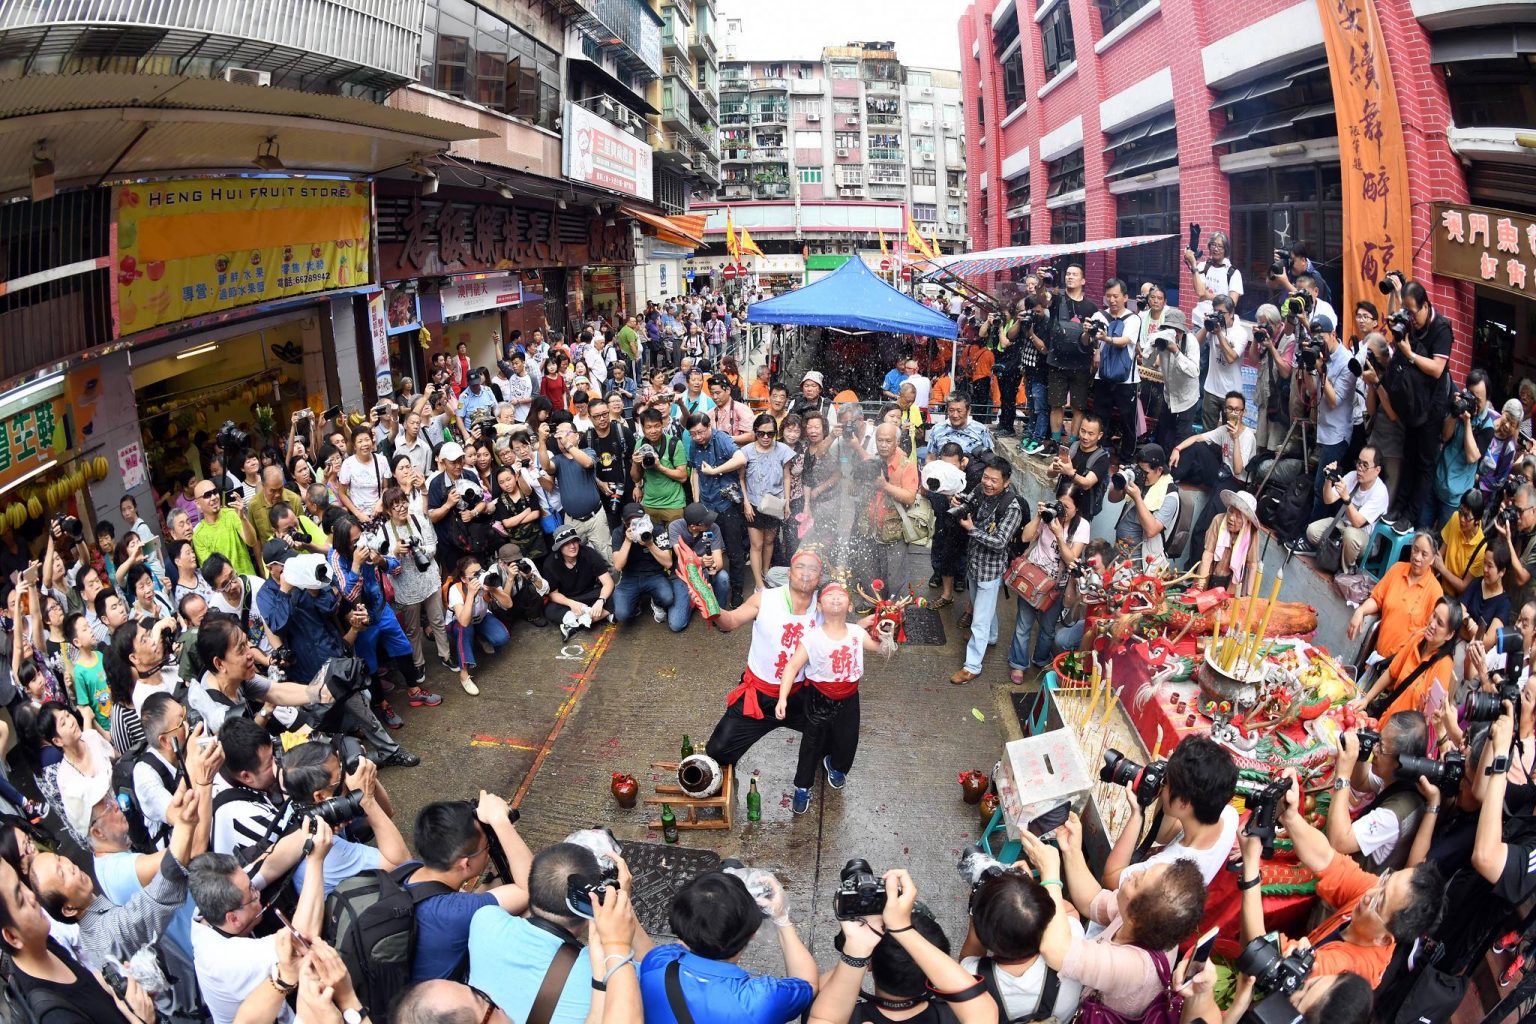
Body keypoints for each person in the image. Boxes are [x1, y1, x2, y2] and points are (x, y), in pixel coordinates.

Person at [1260, 768, 1444, 984]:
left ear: (1384, 939)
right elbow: (1327, 859)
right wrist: (1290, 816)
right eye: (1385, 880)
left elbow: (1272, 961)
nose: (1370, 893)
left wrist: (1252, 879)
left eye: (1380, 900)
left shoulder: (1351, 971)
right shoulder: (1374, 892)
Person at [1021, 824, 1206, 1019]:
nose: (1133, 873)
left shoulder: (1135, 969)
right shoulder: (1153, 921)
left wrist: (1050, 876)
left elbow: (1056, 951)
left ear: (1137, 918)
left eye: (1137, 881)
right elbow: (1091, 900)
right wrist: (1071, 850)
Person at [467, 841, 652, 1024]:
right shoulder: (606, 971)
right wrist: (622, 901)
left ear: (530, 885)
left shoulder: (483, 920)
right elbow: (653, 965)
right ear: (590, 906)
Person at [187, 819, 333, 1024]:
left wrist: (311, 832)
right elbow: (301, 937)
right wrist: (316, 861)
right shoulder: (227, 960)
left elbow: (268, 866)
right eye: (252, 894)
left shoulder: (210, 907)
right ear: (233, 918)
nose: (258, 893)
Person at [638, 870, 816, 1024]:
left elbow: (680, 944)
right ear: (753, 933)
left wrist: (710, 905)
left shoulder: (657, 962)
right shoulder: (761, 1000)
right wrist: (781, 918)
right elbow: (809, 983)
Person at [703, 549, 825, 768]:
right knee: (717, 752)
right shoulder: (765, 598)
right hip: (759, 696)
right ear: (789, 573)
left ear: (819, 577)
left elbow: (849, 633)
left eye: (813, 569)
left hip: (800, 694)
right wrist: (712, 607)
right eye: (800, 567)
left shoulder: (824, 607)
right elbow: (730, 621)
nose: (806, 573)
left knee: (832, 738)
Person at [774, 581, 882, 814]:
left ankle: (835, 765)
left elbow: (879, 647)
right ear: (820, 606)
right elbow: (792, 667)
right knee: (811, 745)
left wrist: (888, 631)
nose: (835, 598)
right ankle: (802, 787)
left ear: (850, 606)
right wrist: (782, 698)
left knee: (848, 740)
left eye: (841, 596)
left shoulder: (856, 632)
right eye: (829, 595)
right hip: (818, 698)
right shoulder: (812, 637)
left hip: (849, 697)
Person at [402, 793, 533, 981]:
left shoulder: (408, 870)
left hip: (403, 983)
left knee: (495, 885)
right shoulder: (457, 912)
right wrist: (500, 823)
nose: (488, 852)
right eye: (487, 847)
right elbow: (530, 887)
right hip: (438, 1005)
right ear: (465, 864)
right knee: (532, 913)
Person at [1102, 734, 1240, 886]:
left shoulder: (1166, 868)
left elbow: (1111, 879)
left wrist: (1137, 814)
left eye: (1165, 783)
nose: (1161, 787)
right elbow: (1164, 836)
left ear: (1183, 802)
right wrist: (1174, 774)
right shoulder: (1228, 816)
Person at [958, 867, 1084, 1022]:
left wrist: (974, 917)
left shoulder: (972, 974)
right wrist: (1030, 894)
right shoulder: (1072, 945)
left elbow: (967, 958)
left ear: (980, 933)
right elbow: (1070, 913)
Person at [950, 456, 1023, 686]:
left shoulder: (1012, 507)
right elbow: (969, 499)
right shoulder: (982, 491)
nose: (988, 483)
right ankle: (990, 637)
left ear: (1006, 482)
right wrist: (959, 499)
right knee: (983, 608)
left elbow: (1001, 542)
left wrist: (971, 530)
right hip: (974, 563)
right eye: (985, 478)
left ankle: (972, 666)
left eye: (994, 480)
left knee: (979, 619)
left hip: (991, 570)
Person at [1327, 716, 1432, 874]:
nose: (1375, 749)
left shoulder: (1394, 814)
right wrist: (1361, 753)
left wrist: (1343, 774)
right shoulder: (1399, 777)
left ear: (1401, 763)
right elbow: (1361, 782)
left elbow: (1338, 841)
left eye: (1381, 748)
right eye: (1378, 739)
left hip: (1353, 886)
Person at [1391, 280, 1455, 529]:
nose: (1410, 318)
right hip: (1412, 401)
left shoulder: (1441, 328)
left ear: (1426, 305)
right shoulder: (1411, 323)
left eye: (1412, 311)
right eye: (1406, 311)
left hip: (1433, 407)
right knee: (1408, 455)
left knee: (1425, 463)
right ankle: (1398, 508)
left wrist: (1410, 355)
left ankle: (1411, 516)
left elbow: (1438, 369)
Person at [1008, 482, 1088, 680]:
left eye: (1067, 507)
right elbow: (1026, 537)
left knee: (1047, 629)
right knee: (1023, 624)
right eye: (1060, 504)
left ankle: (1041, 659)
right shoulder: (1048, 516)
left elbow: (1071, 560)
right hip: (1033, 578)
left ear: (1077, 508)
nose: (1062, 510)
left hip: (1056, 585)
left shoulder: (1082, 526)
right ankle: (1018, 664)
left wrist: (1060, 535)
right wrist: (1039, 515)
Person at [1356, 597, 1460, 728]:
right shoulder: (1419, 637)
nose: (1432, 624)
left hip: (1402, 737)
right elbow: (1392, 672)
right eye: (1433, 616)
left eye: (1440, 623)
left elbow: (1430, 718)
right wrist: (1366, 699)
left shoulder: (1444, 666)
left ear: (1450, 635)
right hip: (1384, 721)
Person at [1346, 530, 1443, 663]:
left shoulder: (1435, 592)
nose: (1417, 557)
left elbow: (1429, 637)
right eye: (1415, 549)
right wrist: (1360, 611)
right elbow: (1377, 599)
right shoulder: (1397, 569)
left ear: (1432, 559)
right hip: (1378, 657)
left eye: (1424, 554)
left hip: (1403, 664)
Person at [686, 415, 748, 608]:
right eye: (693, 434)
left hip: (727, 506)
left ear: (709, 426)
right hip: (707, 507)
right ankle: (711, 588)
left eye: (701, 432)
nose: (697, 437)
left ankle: (737, 591)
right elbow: (695, 472)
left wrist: (715, 471)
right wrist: (697, 501)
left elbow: (741, 458)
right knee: (708, 547)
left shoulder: (721, 438)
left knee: (734, 550)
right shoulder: (694, 444)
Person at [1296, 446, 1390, 570]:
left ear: (1377, 470)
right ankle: (1331, 555)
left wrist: (1346, 498)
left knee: (1350, 535)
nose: (1360, 468)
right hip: (1343, 526)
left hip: (1365, 538)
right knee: (1312, 531)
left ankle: (1345, 570)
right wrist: (1329, 479)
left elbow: (1357, 523)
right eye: (1359, 462)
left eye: (1365, 465)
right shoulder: (1352, 476)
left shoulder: (1380, 492)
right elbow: (1328, 499)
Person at [1428, 369, 1495, 529]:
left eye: (1477, 399)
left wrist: (1467, 422)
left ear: (1487, 400)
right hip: (1437, 481)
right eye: (1470, 394)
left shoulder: (1487, 426)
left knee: (1441, 540)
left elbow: (1472, 457)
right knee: (1420, 530)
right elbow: (1444, 436)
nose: (1473, 401)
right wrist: (1454, 412)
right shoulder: (1459, 408)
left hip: (1455, 497)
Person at [1089, 278, 1144, 461]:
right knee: (1100, 417)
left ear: (1125, 297)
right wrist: (1090, 338)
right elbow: (1091, 341)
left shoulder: (1133, 319)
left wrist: (1107, 339)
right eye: (1109, 296)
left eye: (1116, 296)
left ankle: (1127, 457)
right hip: (1102, 376)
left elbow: (1126, 341)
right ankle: (1099, 453)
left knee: (1128, 421)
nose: (1112, 300)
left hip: (1126, 380)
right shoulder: (1099, 316)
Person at [1044, 264, 1098, 445]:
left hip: (1081, 363)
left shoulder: (1091, 307)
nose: (1070, 277)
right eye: (1067, 274)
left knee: (1079, 406)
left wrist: (1096, 353)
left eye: (1074, 274)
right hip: (1057, 361)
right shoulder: (1057, 299)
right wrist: (1041, 283)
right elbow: (1041, 299)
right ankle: (1056, 441)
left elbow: (1093, 337)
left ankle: (1074, 443)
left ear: (1083, 280)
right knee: (1056, 404)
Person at [443, 555, 510, 695]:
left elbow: (508, 604)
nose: (480, 576)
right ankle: (464, 674)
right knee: (465, 628)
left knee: (501, 638)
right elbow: (464, 621)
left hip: (481, 618)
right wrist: (471, 595)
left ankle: (481, 636)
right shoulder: (456, 589)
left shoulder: (487, 582)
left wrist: (493, 589)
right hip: (459, 623)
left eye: (480, 571)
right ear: (463, 579)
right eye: (475, 575)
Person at [542, 525, 615, 642]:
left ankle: (574, 625)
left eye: (574, 541)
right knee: (549, 610)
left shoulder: (589, 553)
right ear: (559, 547)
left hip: (591, 594)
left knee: (617, 594)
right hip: (567, 599)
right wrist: (571, 603)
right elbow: (553, 594)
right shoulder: (550, 563)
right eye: (567, 543)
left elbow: (608, 582)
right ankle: (601, 616)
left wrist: (601, 600)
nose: (572, 546)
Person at [1108, 444, 1179, 563]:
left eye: (1145, 472)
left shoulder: (1170, 495)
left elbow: (1152, 530)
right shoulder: (1138, 480)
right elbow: (1112, 498)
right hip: (1120, 553)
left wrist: (1137, 497)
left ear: (1159, 470)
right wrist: (1120, 482)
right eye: (1139, 470)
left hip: (1142, 561)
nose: (1141, 475)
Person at [610, 503, 675, 627]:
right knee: (622, 614)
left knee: (667, 598)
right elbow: (618, 566)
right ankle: (635, 603)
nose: (637, 526)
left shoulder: (657, 529)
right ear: (625, 523)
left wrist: (650, 544)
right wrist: (628, 541)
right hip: (630, 577)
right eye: (633, 524)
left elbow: (668, 562)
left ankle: (656, 602)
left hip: (654, 574)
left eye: (640, 521)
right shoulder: (618, 533)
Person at [666, 503, 730, 630]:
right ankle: (694, 600)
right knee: (676, 624)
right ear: (693, 526)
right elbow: (682, 557)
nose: (710, 523)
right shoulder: (675, 527)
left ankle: (719, 613)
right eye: (705, 522)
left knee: (723, 577)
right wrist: (700, 561)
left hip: (705, 572)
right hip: (683, 576)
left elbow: (719, 560)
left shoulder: (714, 528)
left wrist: (713, 567)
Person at [1196, 296, 1249, 431]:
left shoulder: (1241, 333)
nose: (1218, 315)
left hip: (1232, 392)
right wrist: (1206, 326)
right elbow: (1195, 344)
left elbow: (1231, 358)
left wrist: (1219, 334)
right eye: (1215, 311)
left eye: (1221, 313)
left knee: (1232, 431)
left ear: (1231, 313)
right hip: (1211, 389)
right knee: (1208, 432)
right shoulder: (1213, 328)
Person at [1195, 491, 1263, 595]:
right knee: (1198, 602)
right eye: (1231, 511)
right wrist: (1200, 586)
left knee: (1225, 608)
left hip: (1231, 582)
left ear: (1247, 520)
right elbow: (1208, 554)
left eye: (1238, 516)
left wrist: (1249, 596)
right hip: (1209, 573)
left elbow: (1252, 565)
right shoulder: (1218, 520)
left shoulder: (1252, 533)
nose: (1231, 518)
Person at [1149, 312, 1198, 454]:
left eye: (1177, 331)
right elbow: (1148, 362)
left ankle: (1176, 469)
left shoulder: (1191, 342)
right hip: (1169, 394)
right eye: (1171, 330)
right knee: (1163, 432)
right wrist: (1153, 344)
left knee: (1181, 437)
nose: (1174, 334)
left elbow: (1194, 371)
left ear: (1182, 331)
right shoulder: (1162, 339)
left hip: (1187, 397)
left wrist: (1176, 352)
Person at [632, 408, 690, 526]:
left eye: (656, 426)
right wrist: (635, 463)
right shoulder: (640, 444)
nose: (653, 431)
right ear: (642, 428)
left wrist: (659, 467)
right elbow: (636, 478)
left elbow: (683, 477)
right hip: (649, 504)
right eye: (648, 427)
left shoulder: (674, 443)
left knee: (675, 542)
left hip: (673, 504)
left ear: (662, 425)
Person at [190, 481, 259, 578]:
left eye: (215, 492)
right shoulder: (198, 535)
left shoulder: (232, 514)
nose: (214, 497)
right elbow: (211, 570)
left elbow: (252, 542)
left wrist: (243, 518)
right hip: (226, 588)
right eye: (207, 495)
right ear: (197, 503)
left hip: (248, 580)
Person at [1434, 489, 1487, 598]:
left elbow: (1464, 587)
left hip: (1456, 599)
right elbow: (1439, 556)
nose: (1461, 519)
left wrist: (1442, 569)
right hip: (1439, 587)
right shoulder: (1455, 518)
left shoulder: (1481, 549)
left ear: (1477, 520)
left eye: (1467, 516)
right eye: (1461, 512)